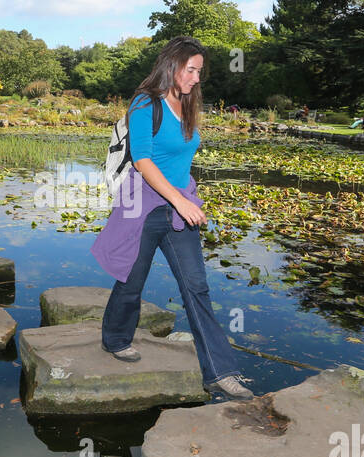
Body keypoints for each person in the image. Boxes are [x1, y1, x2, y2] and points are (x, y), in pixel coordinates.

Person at [90, 36, 255, 401]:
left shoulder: (188, 104)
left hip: (177, 203)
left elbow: (180, 158)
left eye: (200, 71)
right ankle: (115, 339)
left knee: (196, 287)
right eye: (191, 69)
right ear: (172, 66)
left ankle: (220, 372)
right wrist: (180, 201)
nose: (197, 77)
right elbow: (143, 159)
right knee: (131, 281)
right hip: (141, 203)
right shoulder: (145, 103)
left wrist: (187, 195)